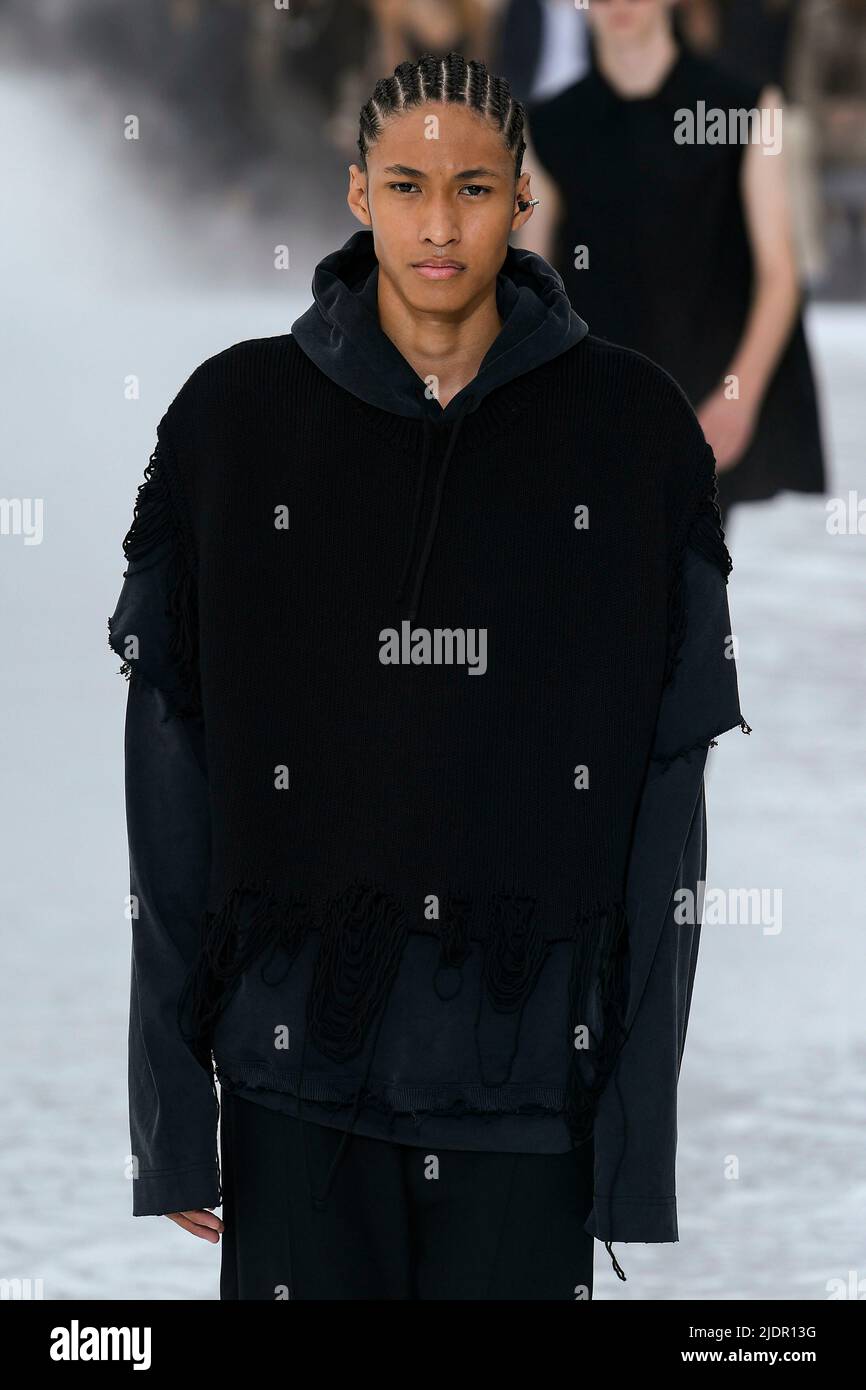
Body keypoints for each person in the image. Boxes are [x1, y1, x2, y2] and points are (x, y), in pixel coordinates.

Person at [108, 49, 749, 1301]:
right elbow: (168, 788)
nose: (439, 223)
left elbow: (666, 810)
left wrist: (634, 1140)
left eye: (472, 186)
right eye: (406, 185)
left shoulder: (631, 434)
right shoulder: (230, 424)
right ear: (357, 195)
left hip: (528, 1087)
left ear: (522, 199)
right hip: (295, 1079)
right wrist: (172, 1112)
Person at [520, 0, 826, 528]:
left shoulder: (744, 107)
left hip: (706, 396)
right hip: (596, 399)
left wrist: (739, 397)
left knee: (684, 582)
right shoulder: (549, 127)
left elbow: (780, 274)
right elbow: (530, 283)